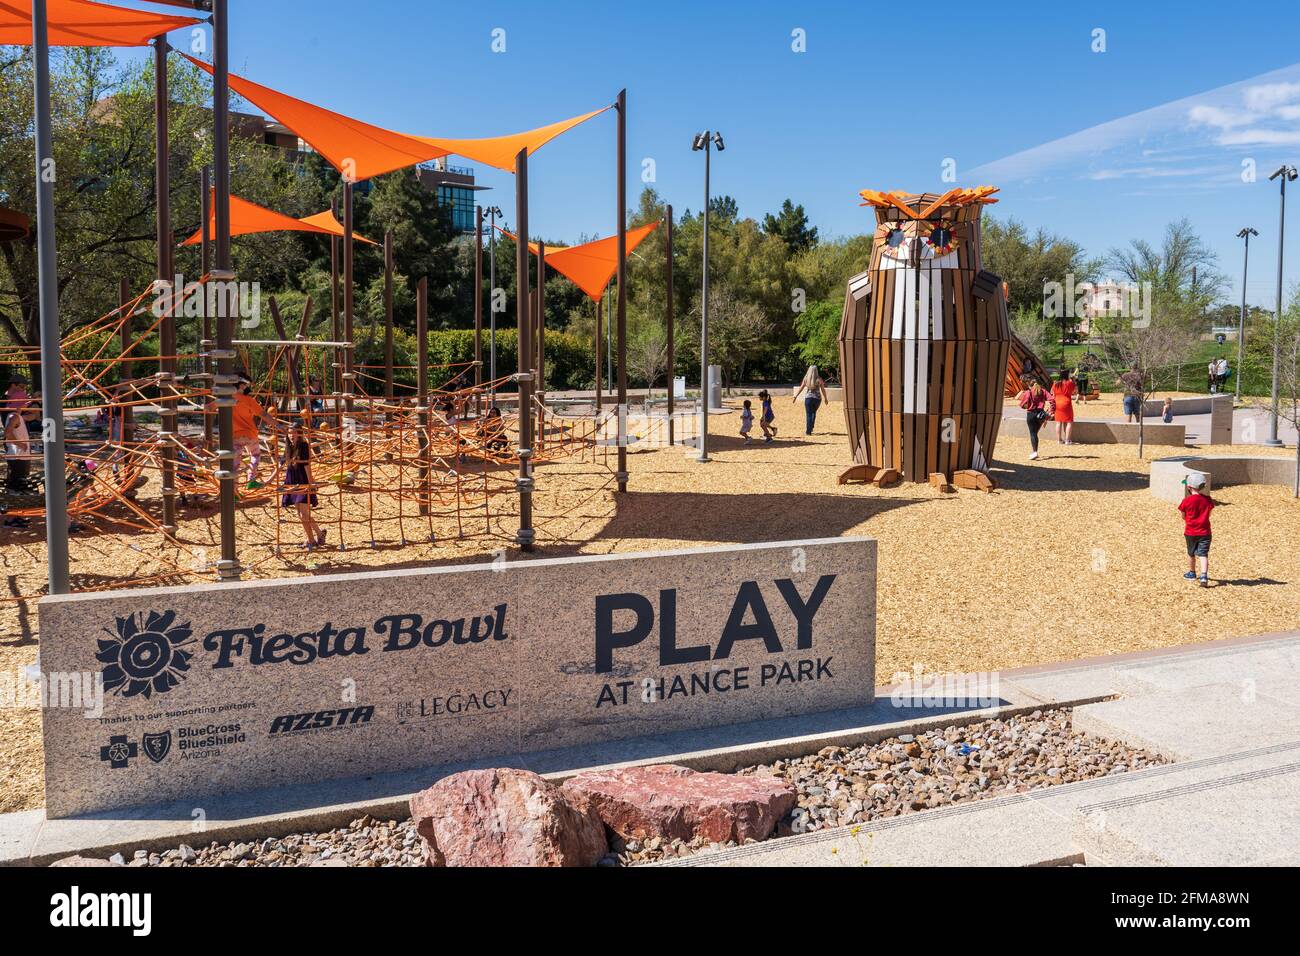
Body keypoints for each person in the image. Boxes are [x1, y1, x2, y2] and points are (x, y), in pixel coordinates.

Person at [282, 420, 325, 549]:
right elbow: (281, 465)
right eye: (290, 433)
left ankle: (313, 539)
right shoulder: (288, 447)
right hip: (291, 481)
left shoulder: (304, 446)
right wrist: (267, 481)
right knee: (302, 514)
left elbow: (307, 466)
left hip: (302, 481)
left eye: (294, 433)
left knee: (303, 514)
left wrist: (311, 483)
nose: (291, 435)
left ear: (300, 434)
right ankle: (317, 535)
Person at [1178, 473, 1213, 588]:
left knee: (1191, 553)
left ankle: (1192, 573)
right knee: (1203, 554)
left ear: (1189, 487)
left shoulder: (1186, 501)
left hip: (1191, 532)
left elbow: (1183, 516)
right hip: (1205, 532)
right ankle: (1204, 576)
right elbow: (1209, 514)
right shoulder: (1207, 500)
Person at [232, 381, 266, 490]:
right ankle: (251, 480)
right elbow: (263, 414)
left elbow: (208, 407)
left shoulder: (225, 400)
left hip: (234, 435)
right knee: (255, 455)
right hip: (250, 434)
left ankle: (234, 491)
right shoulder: (249, 400)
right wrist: (278, 425)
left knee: (235, 463)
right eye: (246, 384)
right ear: (241, 385)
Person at [3, 399, 32, 527]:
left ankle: (16, 515)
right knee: (15, 488)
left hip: (20, 457)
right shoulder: (14, 416)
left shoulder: (17, 415)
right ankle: (10, 519)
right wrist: (21, 444)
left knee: (19, 487)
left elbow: (33, 416)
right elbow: (7, 432)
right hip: (18, 458)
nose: (27, 403)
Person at [1016, 380, 1052, 460]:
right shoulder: (1043, 391)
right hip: (1041, 414)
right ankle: (1034, 451)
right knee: (1035, 433)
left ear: (1030, 386)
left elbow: (1022, 405)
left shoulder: (1028, 392)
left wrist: (1027, 405)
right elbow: (1052, 400)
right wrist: (1050, 411)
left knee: (1033, 433)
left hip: (1031, 414)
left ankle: (1035, 452)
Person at [791, 365, 829, 435]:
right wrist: (825, 398)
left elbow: (801, 388)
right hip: (817, 399)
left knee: (808, 414)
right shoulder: (819, 379)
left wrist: (795, 396)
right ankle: (811, 427)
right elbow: (823, 389)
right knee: (813, 412)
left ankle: (808, 431)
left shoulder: (806, 378)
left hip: (808, 398)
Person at [1051, 368, 1076, 445]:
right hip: (1066, 403)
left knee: (1058, 422)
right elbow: (1075, 392)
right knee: (1069, 422)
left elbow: (1053, 393)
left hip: (1057, 403)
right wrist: (1073, 381)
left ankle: (1059, 440)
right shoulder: (1069, 383)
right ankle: (1067, 440)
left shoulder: (1055, 383)